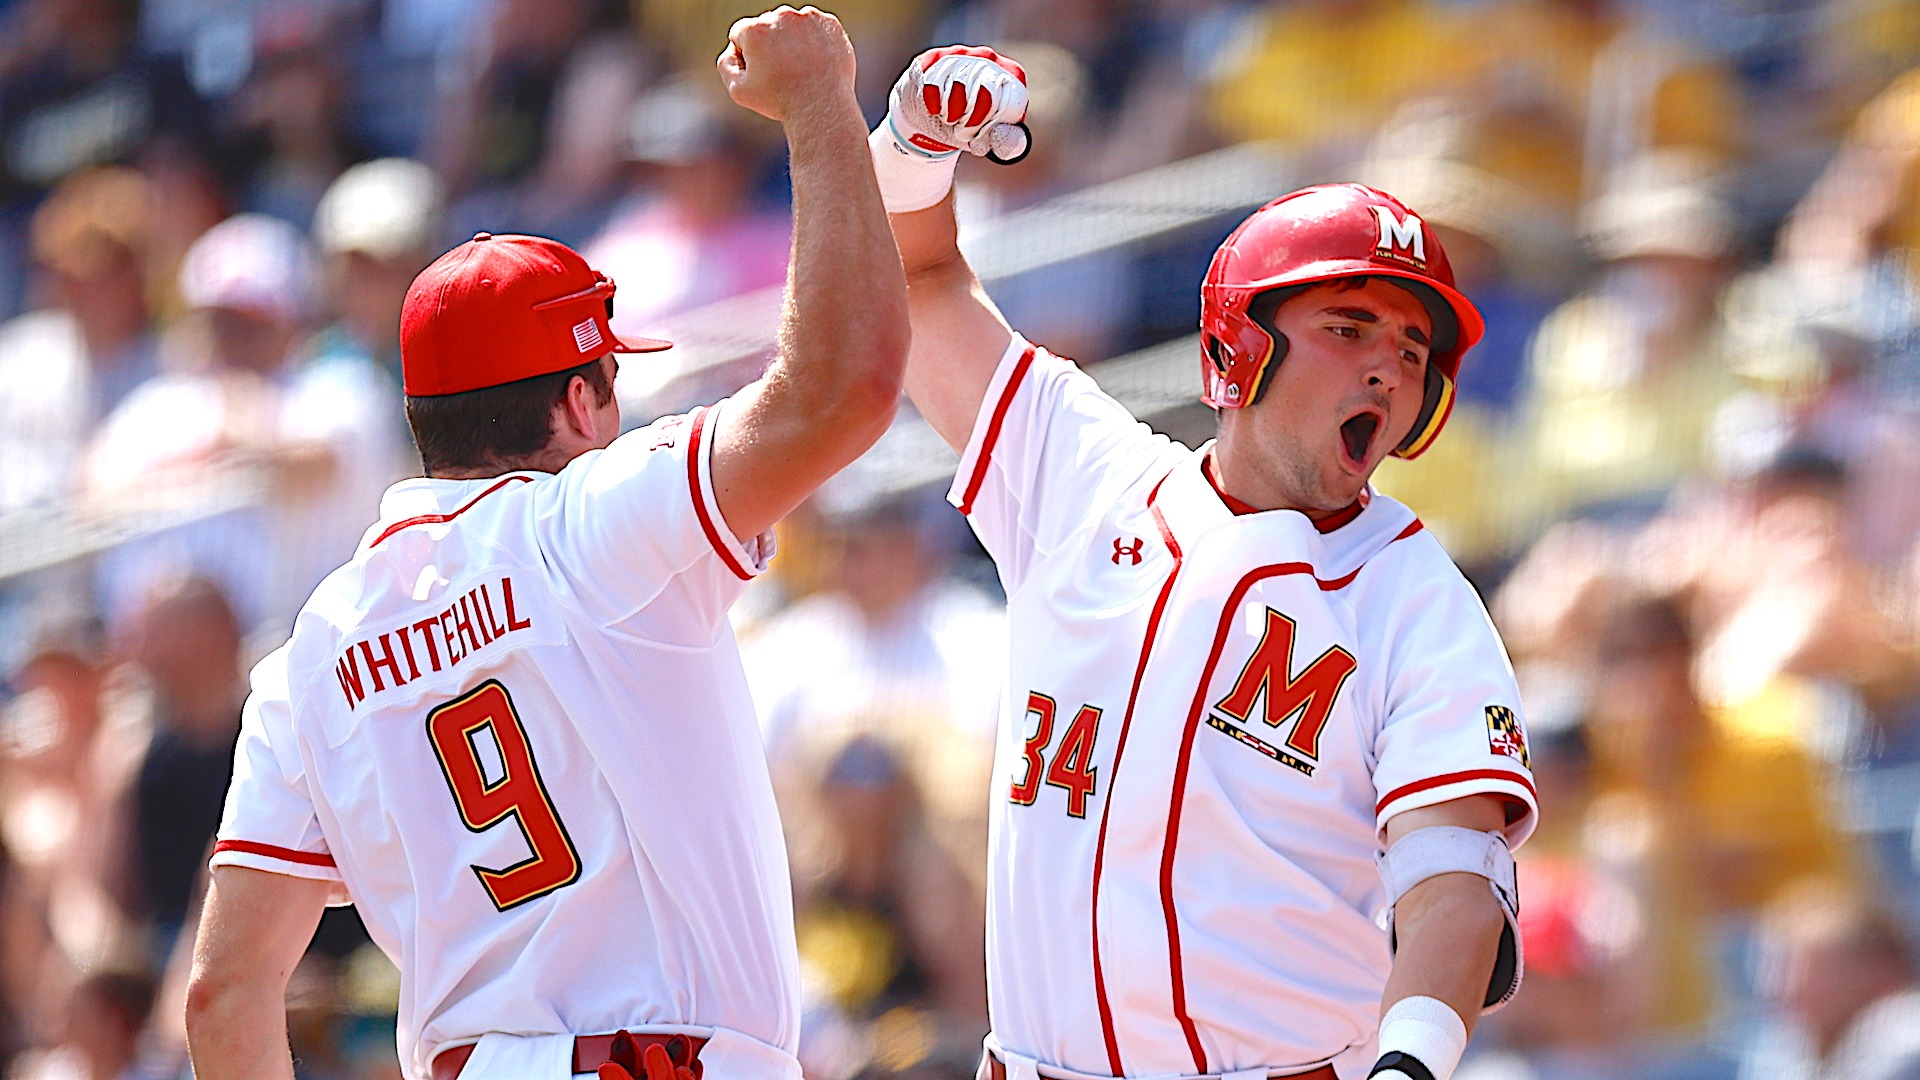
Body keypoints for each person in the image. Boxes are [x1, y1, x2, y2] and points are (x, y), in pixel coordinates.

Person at [182, 8, 910, 1080]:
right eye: (608, 379)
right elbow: (844, 390)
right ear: (576, 400)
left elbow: (225, 995)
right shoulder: (589, 521)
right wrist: (819, 108)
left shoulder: (308, 658)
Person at [872, 47, 1539, 1080]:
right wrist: (911, 149)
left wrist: (1411, 1066)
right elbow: (917, 279)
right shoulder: (1079, 471)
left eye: (1412, 352)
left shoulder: (1419, 607)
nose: (1386, 367)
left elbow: (1454, 880)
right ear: (1239, 346)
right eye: (1349, 326)